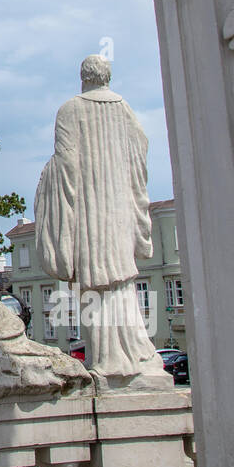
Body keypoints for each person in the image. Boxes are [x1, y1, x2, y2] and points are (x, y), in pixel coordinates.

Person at [35, 55, 168, 390]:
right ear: (108, 77)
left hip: (90, 218)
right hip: (119, 212)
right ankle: (133, 355)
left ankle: (110, 362)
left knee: (95, 288)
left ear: (83, 77)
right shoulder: (125, 110)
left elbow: (66, 166)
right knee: (120, 284)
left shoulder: (70, 110)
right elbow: (140, 153)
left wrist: (47, 184)